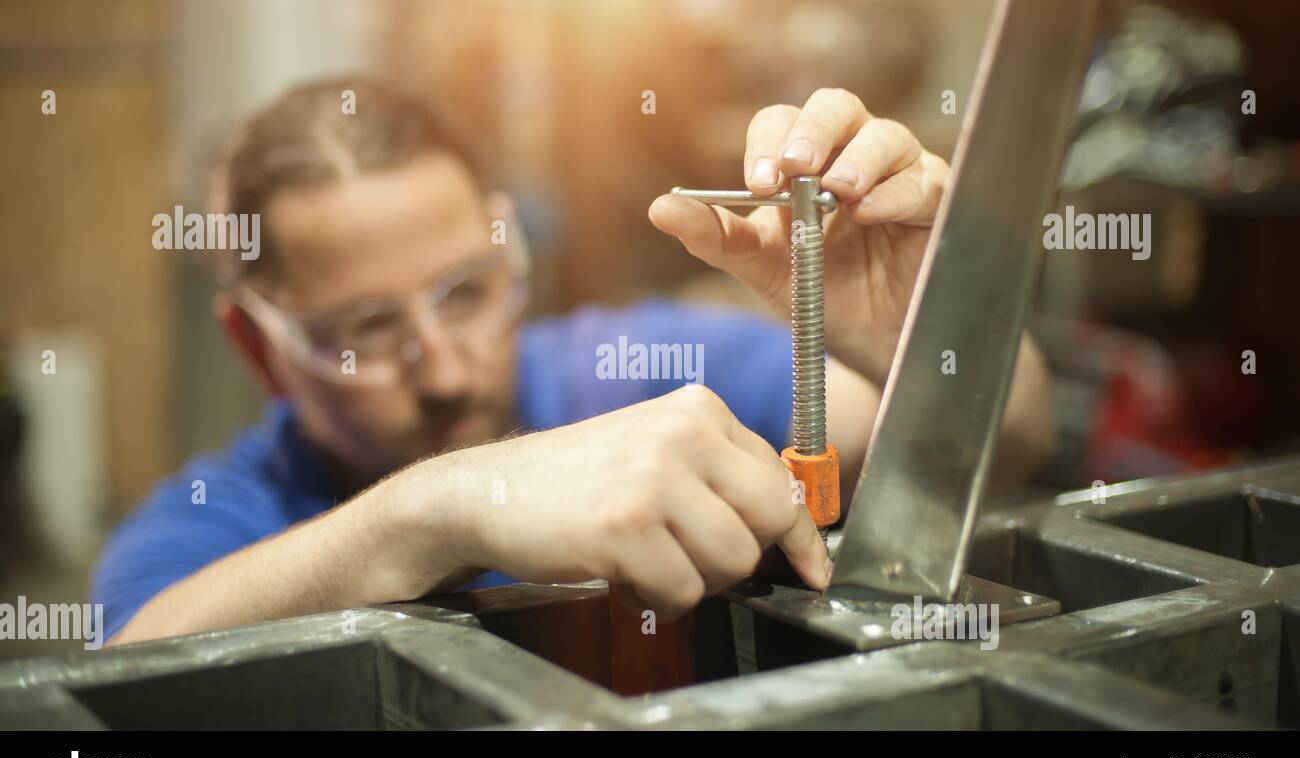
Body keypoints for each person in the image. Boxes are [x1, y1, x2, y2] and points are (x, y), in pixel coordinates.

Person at [94, 78, 1053, 645]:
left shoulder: (642, 369)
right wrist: (438, 506)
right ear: (257, 348)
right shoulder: (203, 526)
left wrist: (910, 329)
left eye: (467, 290)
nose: (442, 369)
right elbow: (117, 695)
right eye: (367, 328)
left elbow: (1006, 441)